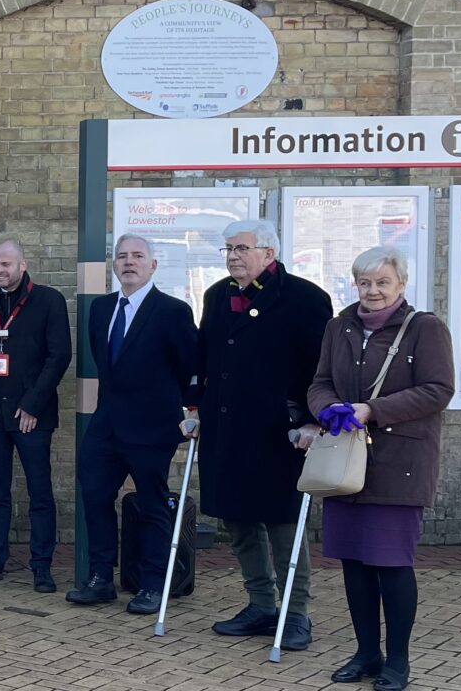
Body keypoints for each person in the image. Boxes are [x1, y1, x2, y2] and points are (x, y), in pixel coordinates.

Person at [308, 246, 454, 691]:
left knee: (391, 565)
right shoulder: (339, 326)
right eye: (364, 282)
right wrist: (328, 408)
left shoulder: (424, 328)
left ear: (400, 284)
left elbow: (438, 389)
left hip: (399, 466)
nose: (372, 291)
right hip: (346, 464)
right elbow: (320, 382)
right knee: (354, 563)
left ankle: (399, 661)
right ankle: (366, 652)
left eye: (382, 282)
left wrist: (373, 409)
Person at [193, 219, 331, 650]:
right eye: (228, 249)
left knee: (283, 521)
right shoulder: (218, 296)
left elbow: (319, 369)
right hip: (227, 428)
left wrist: (313, 420)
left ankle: (295, 611)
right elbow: (206, 355)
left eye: (241, 248)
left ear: (268, 254)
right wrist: (193, 406)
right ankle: (260, 603)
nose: (233, 255)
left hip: (279, 431)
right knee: (236, 518)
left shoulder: (306, 299)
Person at [67, 234, 199, 613]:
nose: (129, 262)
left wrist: (185, 410)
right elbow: (105, 363)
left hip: (151, 425)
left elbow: (187, 365)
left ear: (153, 265)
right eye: (122, 256)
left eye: (138, 256)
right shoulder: (101, 309)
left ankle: (153, 585)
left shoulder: (172, 311)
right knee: (94, 495)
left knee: (154, 504)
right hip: (107, 424)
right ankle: (100, 579)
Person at [0, 239, 72, 592]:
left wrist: (33, 405)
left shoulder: (49, 301)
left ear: (22, 265)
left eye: (6, 265)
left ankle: (42, 565)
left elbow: (59, 357)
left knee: (39, 492)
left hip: (31, 417)